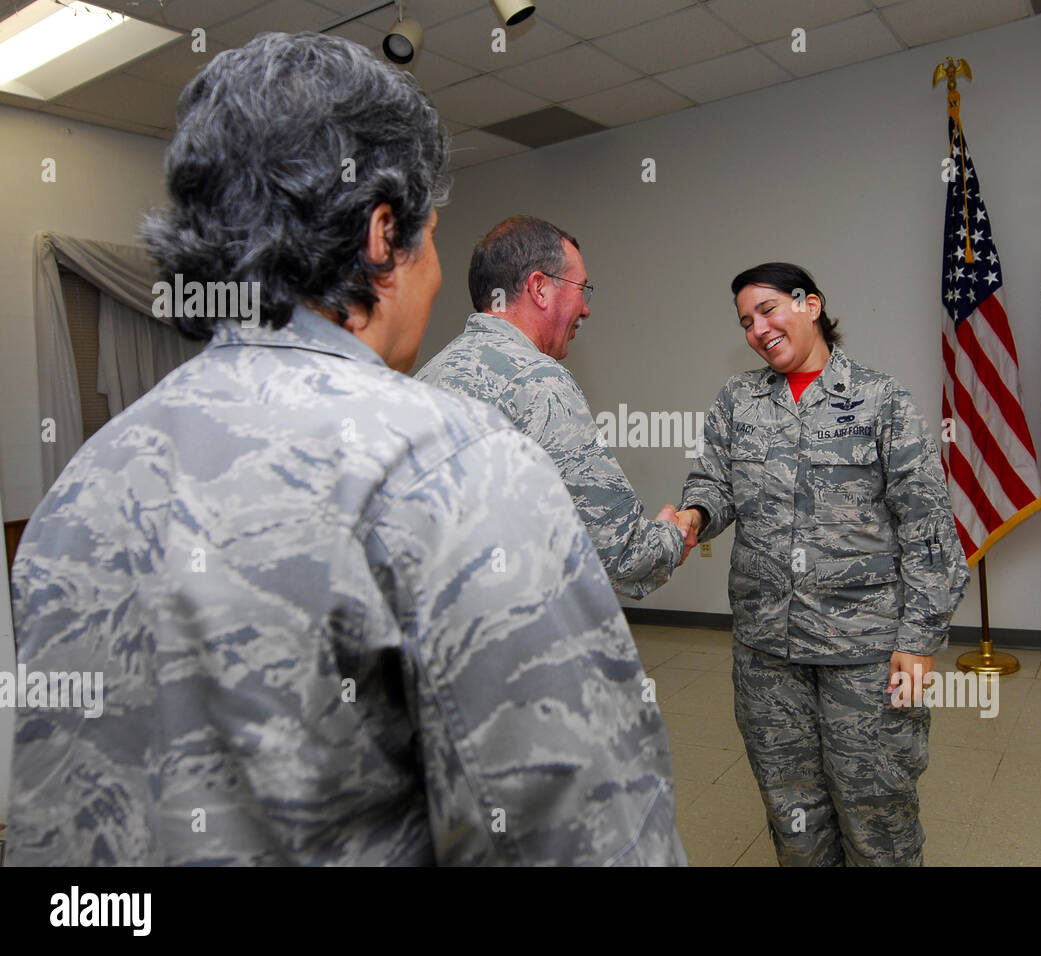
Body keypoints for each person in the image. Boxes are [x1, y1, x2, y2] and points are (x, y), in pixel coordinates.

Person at [7, 32, 685, 867]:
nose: (435, 280)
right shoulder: (457, 466)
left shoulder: (78, 492)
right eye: (430, 238)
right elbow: (589, 834)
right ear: (381, 235)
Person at [677, 262, 969, 866]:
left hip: (864, 654)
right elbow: (714, 484)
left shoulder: (880, 399)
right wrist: (692, 517)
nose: (757, 328)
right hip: (766, 654)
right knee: (794, 818)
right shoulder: (738, 400)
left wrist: (917, 643)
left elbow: (928, 527)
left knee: (876, 818)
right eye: (745, 321)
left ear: (810, 305)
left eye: (767, 309)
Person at [415, 216, 693, 599]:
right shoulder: (537, 380)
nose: (586, 308)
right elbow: (624, 555)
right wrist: (673, 534)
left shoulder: (429, 375)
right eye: (582, 289)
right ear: (540, 289)